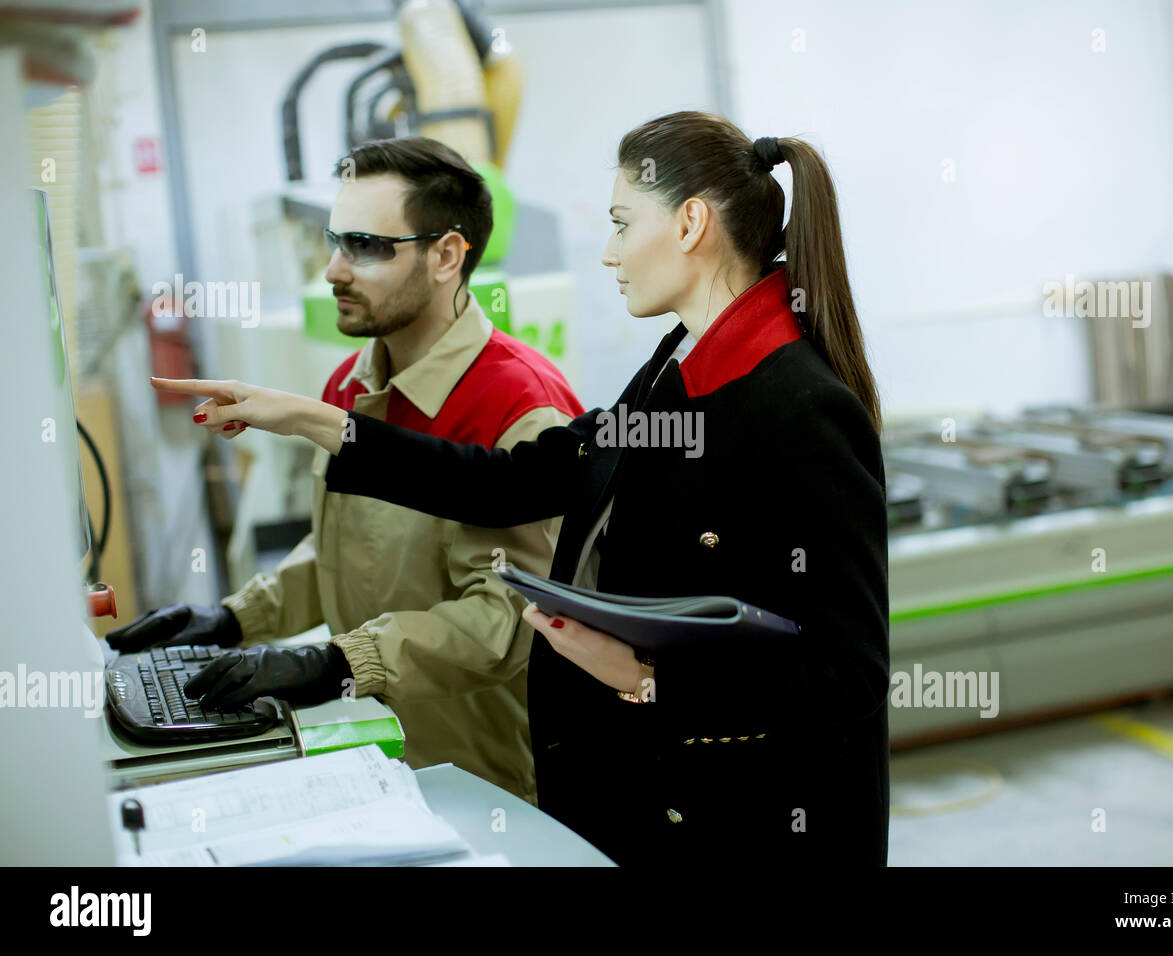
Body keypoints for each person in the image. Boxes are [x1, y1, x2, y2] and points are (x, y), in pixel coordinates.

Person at [153, 111, 890, 866]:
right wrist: (312, 420)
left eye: (621, 223)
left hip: (753, 826)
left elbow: (848, 679)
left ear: (692, 222)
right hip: (645, 803)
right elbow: (511, 485)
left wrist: (642, 677)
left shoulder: (801, 408)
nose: (607, 252)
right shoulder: (672, 371)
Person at [112, 137, 584, 807]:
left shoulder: (517, 407)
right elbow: (344, 549)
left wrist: (338, 661)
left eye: (365, 247)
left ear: (447, 255)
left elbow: (508, 621)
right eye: (335, 242)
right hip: (376, 757)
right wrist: (231, 619)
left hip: (486, 781)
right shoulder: (351, 383)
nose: (333, 269)